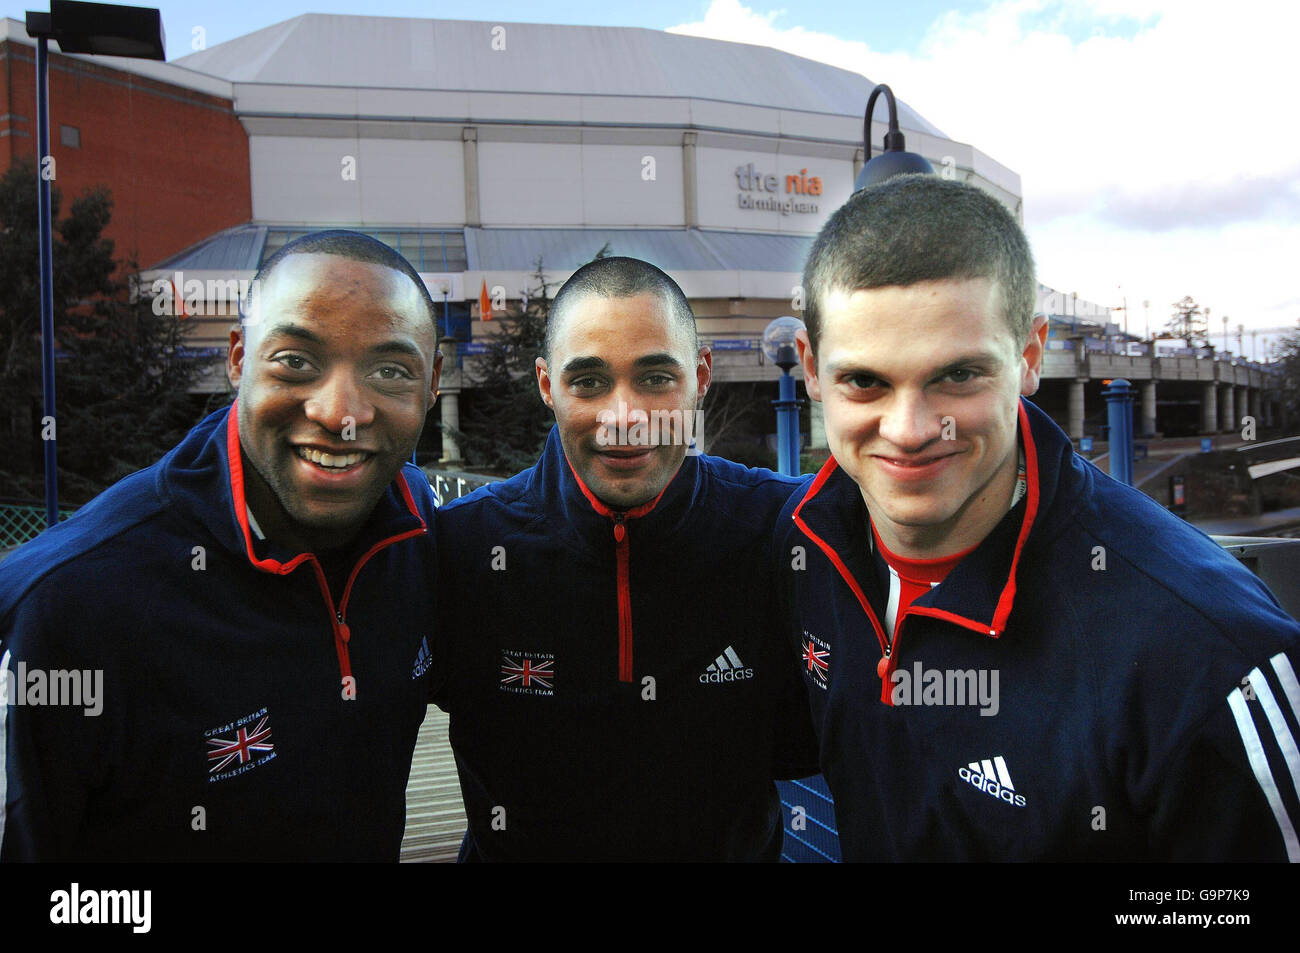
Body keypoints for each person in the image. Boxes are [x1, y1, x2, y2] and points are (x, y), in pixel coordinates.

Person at [777, 174, 1300, 861]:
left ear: (1028, 357)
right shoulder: (802, 547)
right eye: (865, 381)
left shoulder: (1207, 653)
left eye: (957, 376)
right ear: (812, 370)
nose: (907, 429)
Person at [0, 230, 444, 861]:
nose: (340, 412)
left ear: (433, 384)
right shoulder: (64, 607)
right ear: (238, 359)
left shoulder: (422, 526)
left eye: (390, 370)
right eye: (296, 360)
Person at [431, 256, 818, 861]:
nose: (625, 418)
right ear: (546, 386)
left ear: (700, 376)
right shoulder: (461, 549)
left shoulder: (781, 530)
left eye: (656, 378)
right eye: (588, 382)